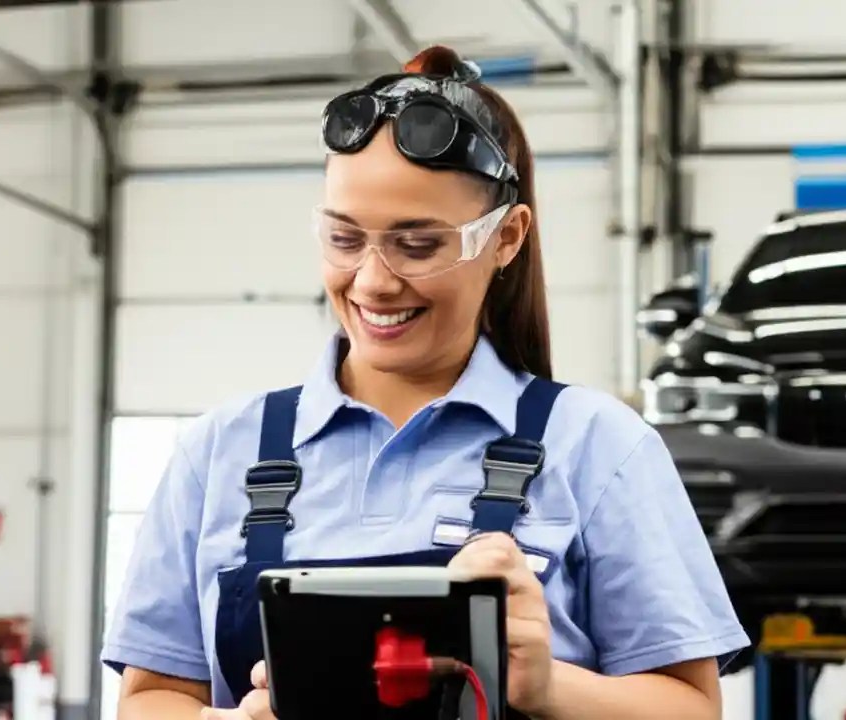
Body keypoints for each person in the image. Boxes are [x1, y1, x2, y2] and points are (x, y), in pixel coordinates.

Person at [101, 45, 748, 720]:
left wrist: (549, 686)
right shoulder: (220, 454)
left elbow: (691, 706)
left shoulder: (597, 448)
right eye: (345, 239)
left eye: (419, 245)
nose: (375, 281)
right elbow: (150, 698)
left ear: (506, 238)